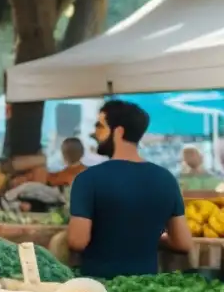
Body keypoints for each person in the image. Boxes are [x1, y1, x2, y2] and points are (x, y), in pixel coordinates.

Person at [67, 100, 193, 279]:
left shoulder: (88, 179)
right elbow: (183, 243)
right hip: (146, 285)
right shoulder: (166, 179)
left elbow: (77, 241)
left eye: (100, 126)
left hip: (99, 286)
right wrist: (148, 236)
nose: (94, 133)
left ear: (118, 131)